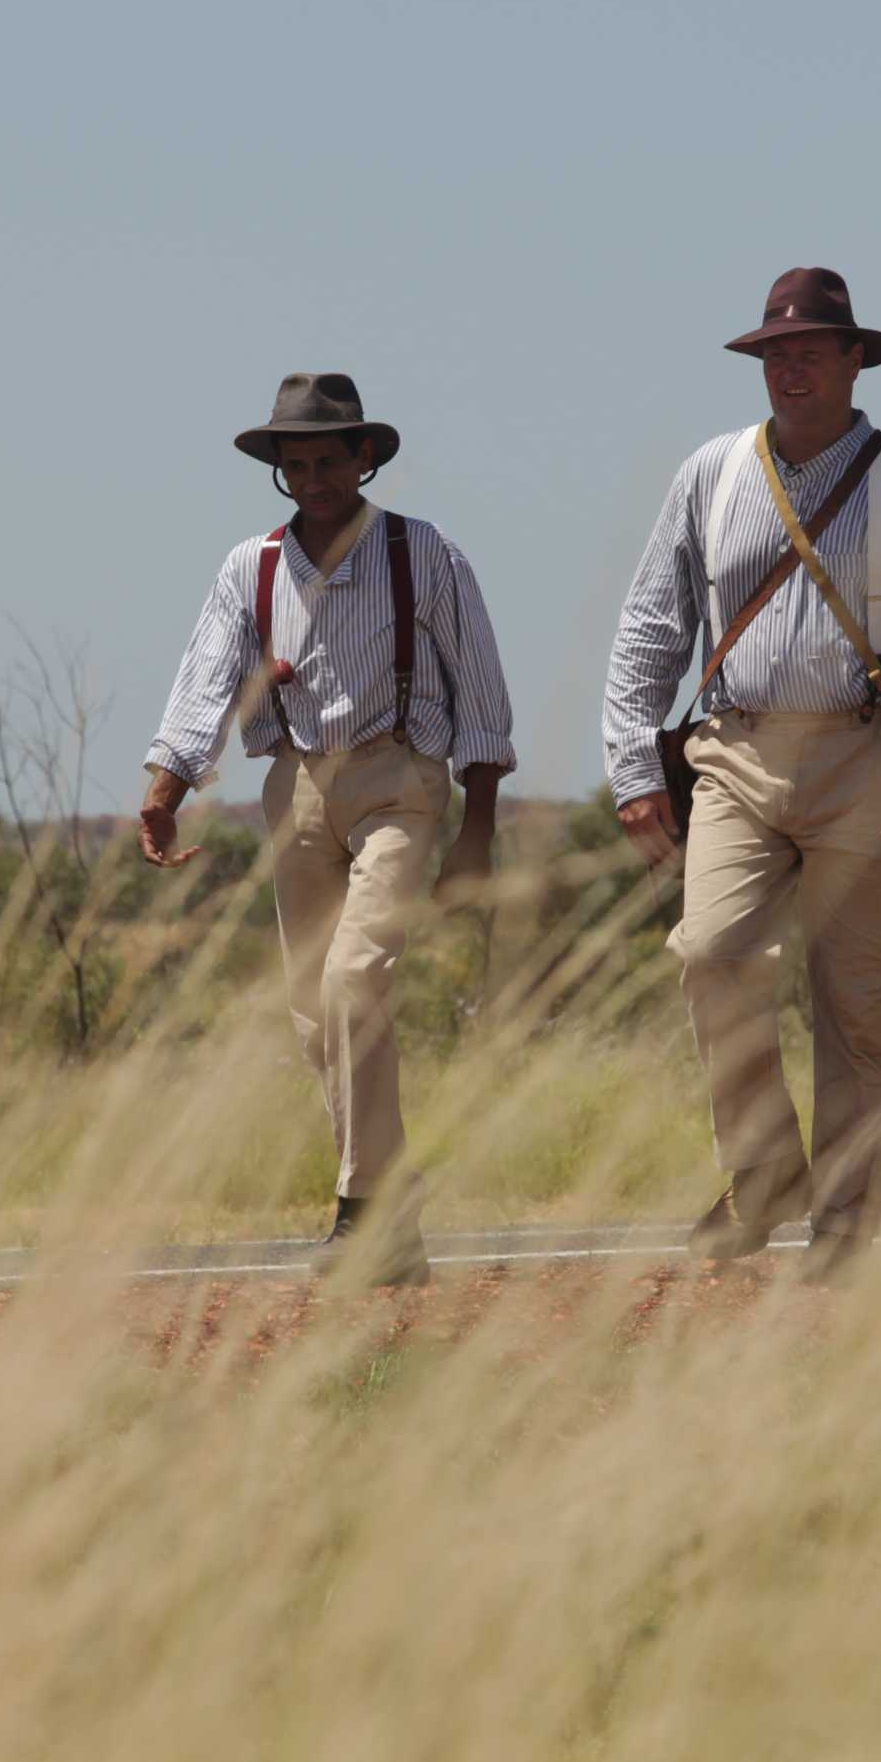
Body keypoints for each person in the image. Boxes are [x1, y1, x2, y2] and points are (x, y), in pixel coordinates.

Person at [599, 269, 881, 1281]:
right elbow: (655, 619)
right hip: (733, 752)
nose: (790, 366)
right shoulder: (712, 472)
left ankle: (843, 1233)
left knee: (860, 1003)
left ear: (855, 358)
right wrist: (632, 759)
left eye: (811, 349)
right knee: (711, 950)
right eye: (775, 351)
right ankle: (767, 1164)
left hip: (864, 757)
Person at [139, 371, 517, 1286]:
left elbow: (482, 694)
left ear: (364, 457)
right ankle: (390, 1219)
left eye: (326, 459)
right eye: (293, 462)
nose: (310, 477)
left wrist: (477, 832)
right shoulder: (253, 566)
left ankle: (361, 1208)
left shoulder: (423, 554)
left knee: (356, 979)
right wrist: (165, 788)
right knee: (315, 1011)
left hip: (402, 780)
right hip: (298, 786)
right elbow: (204, 682)